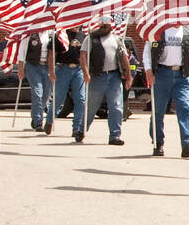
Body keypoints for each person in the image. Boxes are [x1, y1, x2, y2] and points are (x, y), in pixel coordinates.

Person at [144, 24, 189, 157]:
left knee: (184, 107)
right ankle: (158, 143)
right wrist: (148, 70)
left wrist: (188, 72)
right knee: (158, 111)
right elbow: (147, 51)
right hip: (162, 73)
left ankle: (187, 143)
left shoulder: (188, 30)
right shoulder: (158, 29)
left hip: (182, 75)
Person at [81, 16, 130, 145]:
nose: (105, 28)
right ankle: (81, 130)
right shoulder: (91, 39)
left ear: (111, 26)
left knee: (116, 106)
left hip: (114, 77)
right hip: (98, 76)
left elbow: (125, 58)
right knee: (91, 106)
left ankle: (115, 136)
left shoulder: (117, 39)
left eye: (107, 26)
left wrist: (129, 76)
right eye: (103, 26)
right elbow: (83, 56)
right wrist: (86, 73)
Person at [48, 26, 87, 141]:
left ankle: (77, 128)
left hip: (78, 70)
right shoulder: (60, 35)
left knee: (80, 99)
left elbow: (84, 56)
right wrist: (51, 71)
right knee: (58, 98)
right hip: (63, 69)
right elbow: (51, 54)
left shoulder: (83, 36)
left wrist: (86, 72)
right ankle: (50, 120)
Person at [21, 30, 53, 132]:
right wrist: (20, 69)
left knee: (46, 95)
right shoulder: (30, 34)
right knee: (37, 93)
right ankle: (38, 122)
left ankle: (35, 116)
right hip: (33, 66)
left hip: (47, 66)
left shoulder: (50, 34)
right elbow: (22, 52)